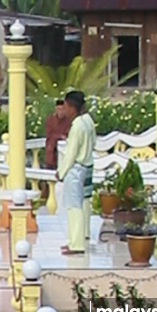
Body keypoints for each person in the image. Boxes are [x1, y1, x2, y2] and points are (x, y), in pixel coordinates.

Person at [56, 90, 96, 255]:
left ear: (72, 107)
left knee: (74, 207)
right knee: (76, 205)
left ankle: (77, 244)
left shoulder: (78, 125)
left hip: (75, 168)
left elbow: (71, 152)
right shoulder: (88, 121)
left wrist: (62, 171)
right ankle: (72, 240)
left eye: (66, 106)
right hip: (85, 165)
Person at [41, 99, 72, 200]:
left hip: (63, 152)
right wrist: (58, 136)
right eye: (58, 109)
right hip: (51, 151)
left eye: (62, 109)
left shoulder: (68, 121)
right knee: (48, 176)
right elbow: (49, 134)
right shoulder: (50, 120)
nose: (60, 112)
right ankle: (45, 196)